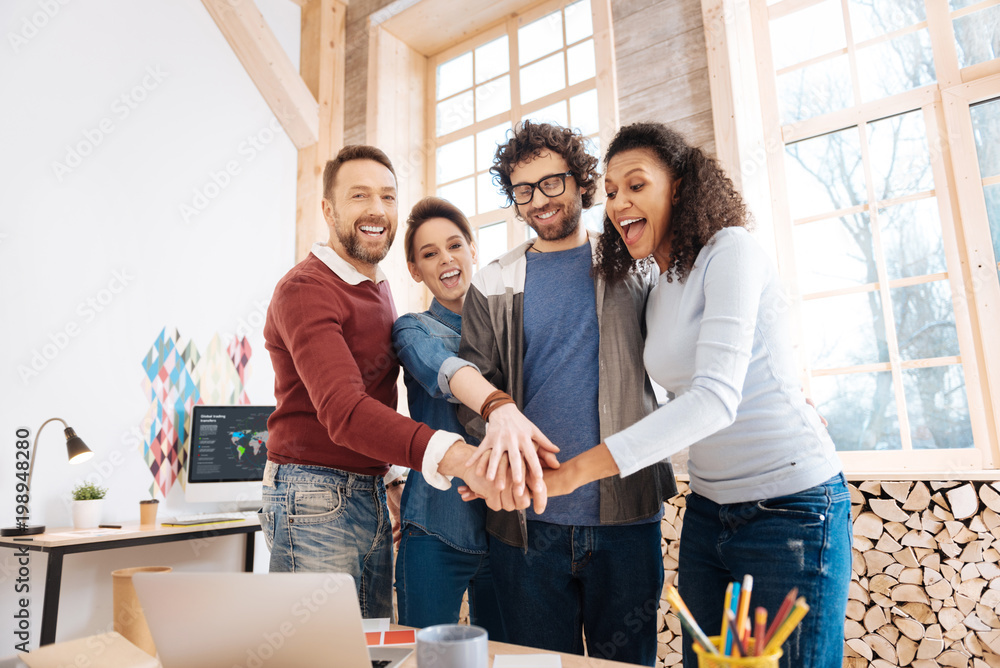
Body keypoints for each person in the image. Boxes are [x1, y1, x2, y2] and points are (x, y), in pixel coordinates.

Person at [544, 122, 850, 668]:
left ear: (679, 186)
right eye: (611, 192)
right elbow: (681, 397)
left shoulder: (730, 250)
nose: (619, 203)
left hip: (790, 507)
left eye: (636, 185)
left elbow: (714, 399)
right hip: (709, 511)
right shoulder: (659, 289)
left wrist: (572, 472)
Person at [261, 145, 537, 619]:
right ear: (328, 210)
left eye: (388, 197)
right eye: (359, 196)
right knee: (321, 651)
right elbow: (344, 409)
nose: (377, 209)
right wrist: (456, 456)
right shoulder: (306, 289)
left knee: (368, 646)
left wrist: (387, 473)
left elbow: (374, 398)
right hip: (313, 492)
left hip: (365, 488)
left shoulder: (376, 288)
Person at [445, 121, 677, 666]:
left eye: (552, 183)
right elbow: (472, 393)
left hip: (626, 517)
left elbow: (685, 353)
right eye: (523, 190)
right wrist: (503, 460)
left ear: (581, 183)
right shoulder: (493, 282)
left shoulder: (632, 264)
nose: (539, 201)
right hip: (527, 524)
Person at [390, 196, 508, 639]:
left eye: (455, 245)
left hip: (505, 534)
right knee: (426, 658)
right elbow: (443, 370)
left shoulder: (506, 325)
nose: (446, 259)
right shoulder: (412, 329)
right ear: (415, 269)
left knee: (504, 659)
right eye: (429, 253)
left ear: (473, 250)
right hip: (435, 529)